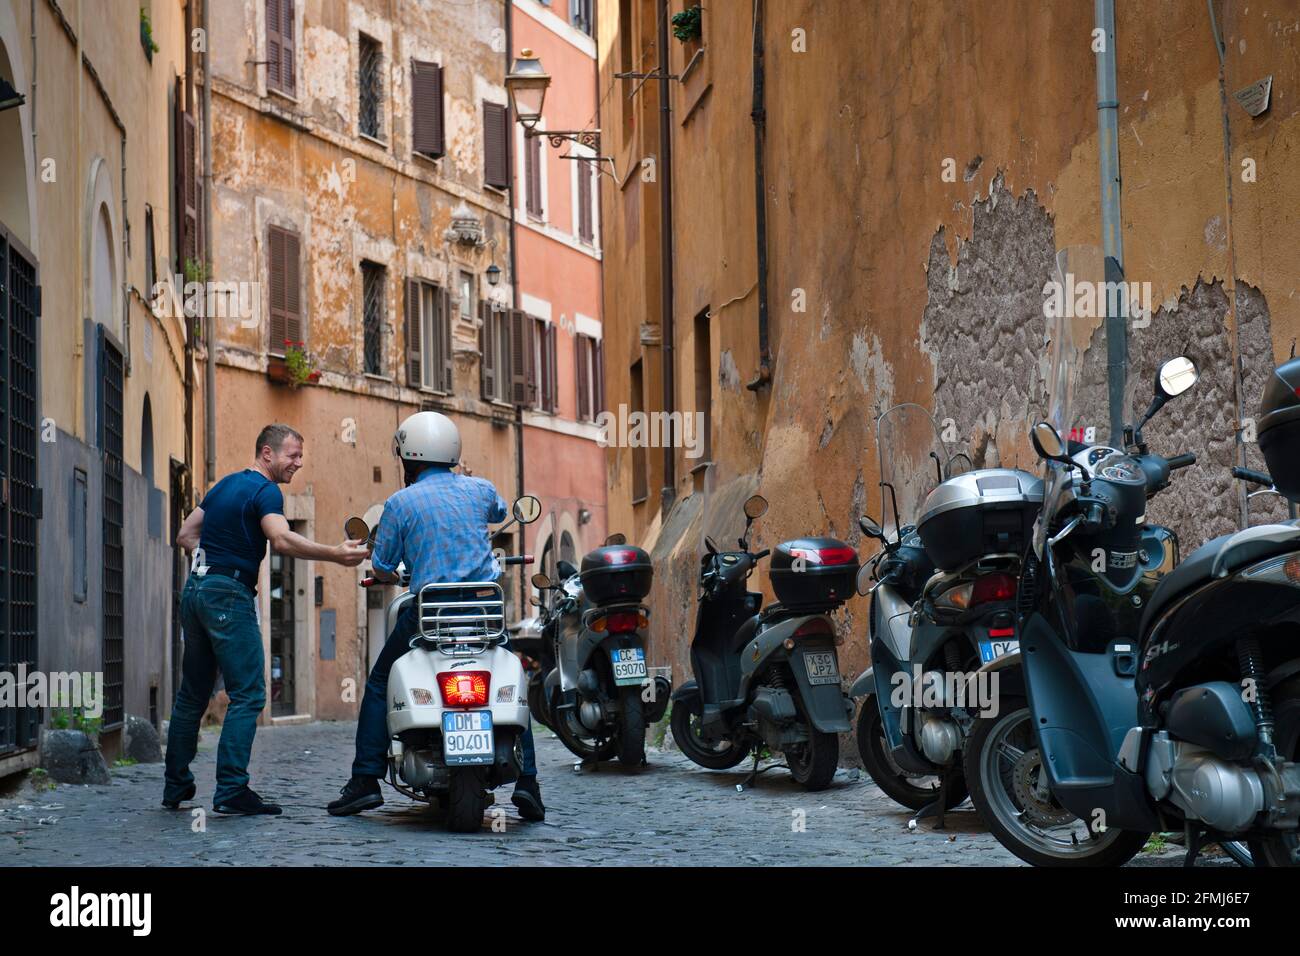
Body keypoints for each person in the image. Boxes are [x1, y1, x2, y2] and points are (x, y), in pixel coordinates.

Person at [326, 411, 545, 822]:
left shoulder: (400, 503)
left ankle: (365, 781)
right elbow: (500, 511)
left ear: (409, 459)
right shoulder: (479, 489)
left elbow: (384, 566)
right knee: (511, 677)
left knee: (377, 684)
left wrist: (385, 572)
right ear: (453, 453)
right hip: (484, 612)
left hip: (431, 615)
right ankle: (528, 783)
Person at [167, 424, 370, 815]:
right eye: (292, 456)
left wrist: (216, 559)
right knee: (249, 694)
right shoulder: (266, 491)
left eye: (300, 457)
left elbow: (185, 535)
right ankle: (230, 790)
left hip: (195, 591)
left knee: (192, 694)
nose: (297, 463)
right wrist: (334, 553)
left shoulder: (225, 485)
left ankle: (175, 785)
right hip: (228, 595)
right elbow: (279, 539)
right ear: (267, 454)